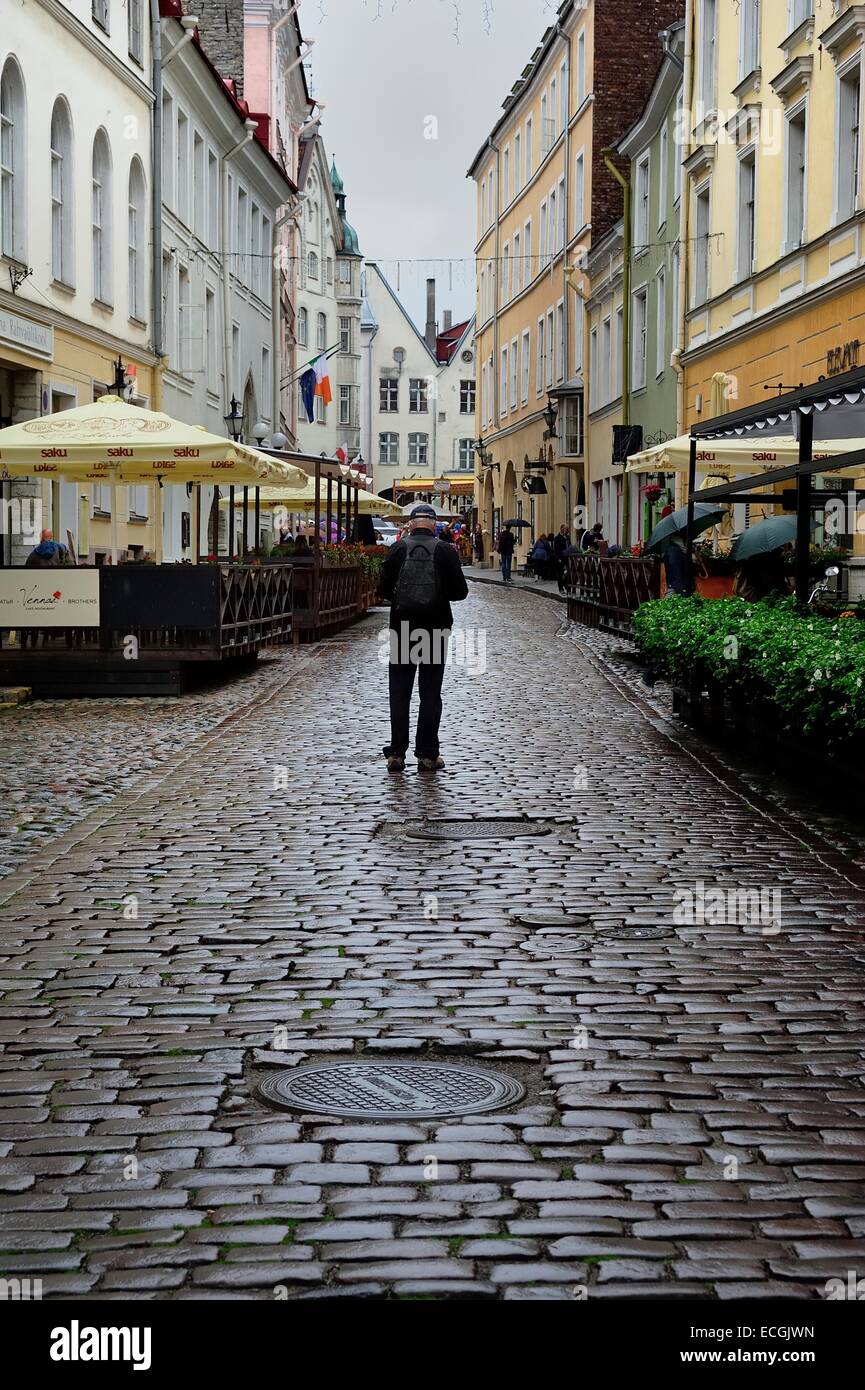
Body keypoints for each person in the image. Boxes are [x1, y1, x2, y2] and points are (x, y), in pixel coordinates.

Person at [378, 503, 468, 773]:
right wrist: (437, 596)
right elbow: (460, 592)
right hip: (435, 628)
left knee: (399, 692)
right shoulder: (445, 550)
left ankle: (396, 753)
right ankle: (427, 755)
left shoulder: (398, 549)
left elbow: (382, 589)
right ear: (433, 523)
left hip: (403, 628)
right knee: (430, 694)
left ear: (410, 523)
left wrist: (402, 600)